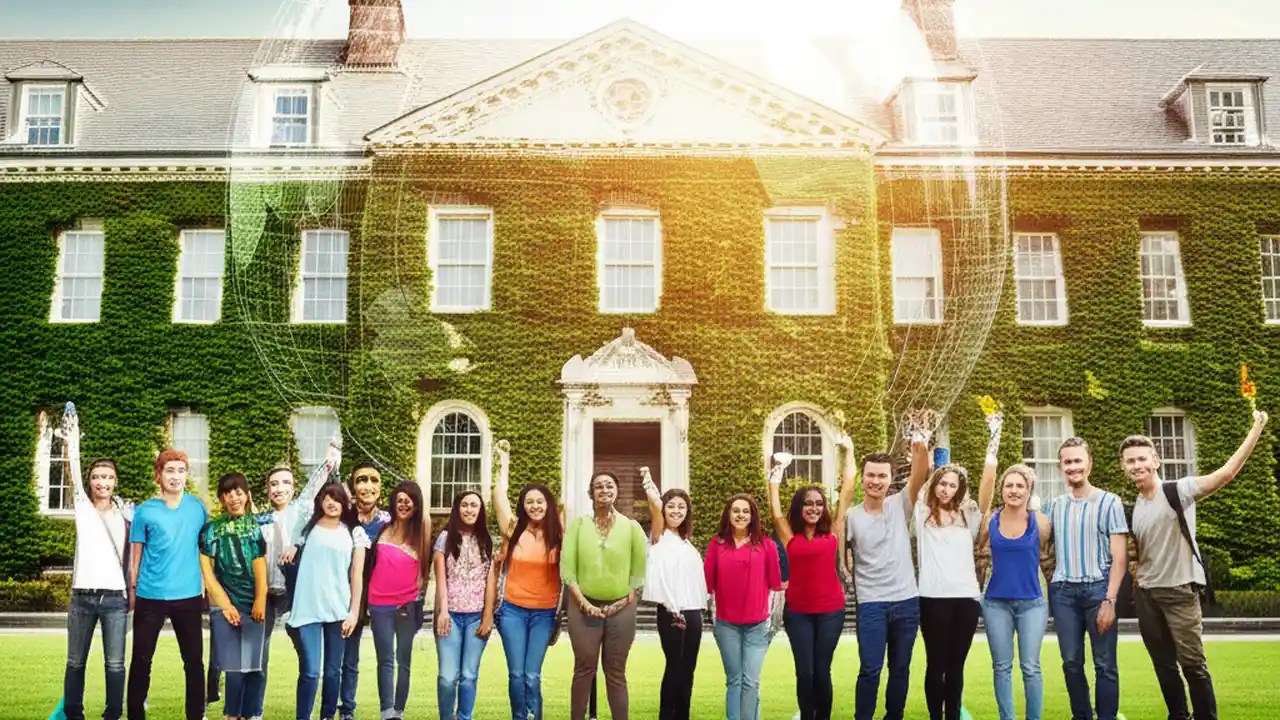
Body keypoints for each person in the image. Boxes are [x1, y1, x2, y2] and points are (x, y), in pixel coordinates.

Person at [1126, 409, 1268, 720]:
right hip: (1147, 595)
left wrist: (1257, 427)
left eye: (1142, 459)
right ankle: (1178, 715)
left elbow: (1227, 473)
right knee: (1163, 665)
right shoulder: (1134, 505)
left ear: (1155, 461)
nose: (1137, 465)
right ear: (1125, 467)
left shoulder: (1179, 489)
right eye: (1130, 461)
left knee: (1192, 664)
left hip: (1179, 592)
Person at [913, 414, 999, 720]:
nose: (946, 489)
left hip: (965, 598)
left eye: (952, 485)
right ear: (935, 484)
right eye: (942, 483)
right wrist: (923, 437)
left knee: (956, 665)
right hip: (932, 598)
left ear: (959, 489)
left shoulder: (969, 515)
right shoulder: (922, 514)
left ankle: (952, 716)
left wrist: (994, 438)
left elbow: (988, 483)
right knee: (935, 663)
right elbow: (919, 474)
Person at [836, 436, 929, 720]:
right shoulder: (851, 517)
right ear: (863, 478)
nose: (875, 481)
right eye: (871, 475)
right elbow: (839, 551)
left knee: (900, 667)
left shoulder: (900, 504)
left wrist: (921, 447)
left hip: (906, 601)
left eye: (882, 476)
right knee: (870, 668)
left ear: (890, 480)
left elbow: (920, 473)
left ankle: (894, 716)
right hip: (871, 603)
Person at [246, 448, 339, 720]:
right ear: (267, 490)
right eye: (274, 484)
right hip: (265, 594)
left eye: (286, 483)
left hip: (296, 594)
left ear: (293, 487)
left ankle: (309, 711)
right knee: (257, 658)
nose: (279, 488)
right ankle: (254, 712)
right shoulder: (259, 519)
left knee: (307, 657)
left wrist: (330, 460)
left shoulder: (302, 511)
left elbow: (315, 485)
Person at [1046, 436, 1128, 720]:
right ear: (1060, 467)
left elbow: (1119, 558)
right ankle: (1081, 715)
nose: (1073, 467)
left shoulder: (1110, 502)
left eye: (1077, 460)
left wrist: (1110, 599)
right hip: (1063, 593)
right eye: (1067, 462)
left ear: (1089, 464)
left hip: (1098, 591)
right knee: (1070, 662)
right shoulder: (1053, 506)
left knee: (1105, 663)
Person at [59, 403, 133, 720]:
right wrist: (71, 435)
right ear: (89, 481)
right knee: (76, 660)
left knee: (115, 663)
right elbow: (72, 469)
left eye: (108, 477)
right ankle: (74, 713)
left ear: (116, 481)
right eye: (97, 476)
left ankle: (113, 714)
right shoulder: (82, 508)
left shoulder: (128, 512)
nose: (102, 481)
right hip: (82, 598)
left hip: (116, 600)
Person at [127, 448, 209, 720]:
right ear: (158, 475)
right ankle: (136, 714)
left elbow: (205, 550)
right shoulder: (145, 511)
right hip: (151, 596)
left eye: (181, 471)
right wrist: (133, 590)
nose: (175, 476)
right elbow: (135, 557)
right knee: (141, 659)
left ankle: (196, 715)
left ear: (187, 475)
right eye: (169, 471)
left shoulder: (197, 508)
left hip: (188, 596)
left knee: (194, 662)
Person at [562, 471, 647, 720]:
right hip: (582, 607)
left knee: (615, 671)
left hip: (621, 608)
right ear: (591, 493)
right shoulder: (578, 525)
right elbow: (568, 570)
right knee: (584, 667)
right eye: (598, 486)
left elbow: (638, 573)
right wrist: (584, 603)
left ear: (617, 491)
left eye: (609, 485)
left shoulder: (631, 528)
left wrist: (624, 600)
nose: (604, 490)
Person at [766, 453, 845, 720]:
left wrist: (846, 451)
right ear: (800, 507)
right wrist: (776, 475)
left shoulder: (833, 532)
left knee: (822, 671)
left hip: (830, 611)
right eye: (808, 503)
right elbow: (776, 512)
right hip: (798, 612)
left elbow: (847, 490)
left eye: (819, 503)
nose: (814, 508)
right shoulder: (790, 536)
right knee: (805, 672)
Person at [492, 441, 564, 720]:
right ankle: (519, 717)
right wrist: (504, 461)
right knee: (516, 674)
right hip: (513, 611)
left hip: (544, 613)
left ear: (549, 505)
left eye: (540, 501)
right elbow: (499, 495)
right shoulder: (513, 529)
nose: (535, 506)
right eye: (529, 501)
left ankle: (536, 716)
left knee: (532, 675)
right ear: (523, 506)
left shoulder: (559, 534)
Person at [285, 483, 369, 720]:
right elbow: (302, 500)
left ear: (345, 503)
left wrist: (353, 613)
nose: (332, 503)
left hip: (338, 609)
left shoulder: (354, 532)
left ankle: (327, 716)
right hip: (307, 609)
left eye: (337, 498)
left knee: (333, 672)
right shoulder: (306, 529)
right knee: (311, 671)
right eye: (327, 498)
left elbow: (356, 575)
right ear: (320, 501)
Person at [976, 462, 1052, 720]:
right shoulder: (990, 522)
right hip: (996, 604)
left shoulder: (1040, 522)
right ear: (1002, 490)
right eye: (1009, 485)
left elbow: (1047, 557)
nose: (1014, 490)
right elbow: (978, 555)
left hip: (1032, 603)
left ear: (1029, 490)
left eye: (1020, 486)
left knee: (1030, 667)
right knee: (1002, 667)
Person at [705, 493, 782, 720]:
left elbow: (776, 583)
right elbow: (707, 583)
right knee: (734, 679)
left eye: (745, 511)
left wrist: (773, 620)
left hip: (757, 625)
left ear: (753, 516)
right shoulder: (716, 544)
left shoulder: (766, 545)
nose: (740, 515)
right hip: (727, 625)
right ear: (728, 515)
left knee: (751, 680)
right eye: (736, 510)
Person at [199, 472, 268, 720]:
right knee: (233, 667)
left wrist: (260, 599)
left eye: (238, 492)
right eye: (228, 493)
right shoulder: (211, 530)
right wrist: (226, 605)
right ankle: (231, 715)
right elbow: (207, 571)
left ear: (247, 495)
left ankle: (249, 714)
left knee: (253, 666)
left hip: (253, 605)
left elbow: (260, 566)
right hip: (224, 605)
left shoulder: (254, 527)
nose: (233, 497)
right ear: (221, 498)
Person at [640, 468, 705, 720]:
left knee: (688, 670)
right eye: (671, 506)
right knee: (675, 668)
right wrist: (648, 483)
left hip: (694, 611)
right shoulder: (658, 536)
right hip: (671, 613)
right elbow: (655, 505)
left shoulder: (686, 542)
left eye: (681, 507)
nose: (676, 511)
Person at [362, 481, 431, 720]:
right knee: (385, 659)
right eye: (399, 499)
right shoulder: (382, 528)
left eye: (409, 500)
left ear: (416, 505)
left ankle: (398, 711)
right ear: (393, 502)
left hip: (406, 605)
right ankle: (386, 711)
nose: (403, 504)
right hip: (378, 603)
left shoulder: (421, 532)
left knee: (404, 659)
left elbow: (425, 569)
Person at [434, 490, 498, 720]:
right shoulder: (445, 538)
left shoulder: (487, 541)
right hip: (450, 616)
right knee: (448, 677)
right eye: (465, 505)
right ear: (457, 508)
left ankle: (464, 717)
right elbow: (441, 579)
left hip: (475, 618)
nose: (469, 509)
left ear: (480, 511)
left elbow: (491, 581)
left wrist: (488, 615)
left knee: (469, 675)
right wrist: (442, 611)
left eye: (474, 505)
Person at [336, 461, 390, 720]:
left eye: (373, 480)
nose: (368, 486)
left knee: (389, 658)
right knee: (347, 658)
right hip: (345, 595)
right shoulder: (341, 517)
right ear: (352, 486)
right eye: (361, 480)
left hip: (381, 596)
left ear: (381, 486)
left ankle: (390, 711)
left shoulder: (390, 521)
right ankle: (345, 709)